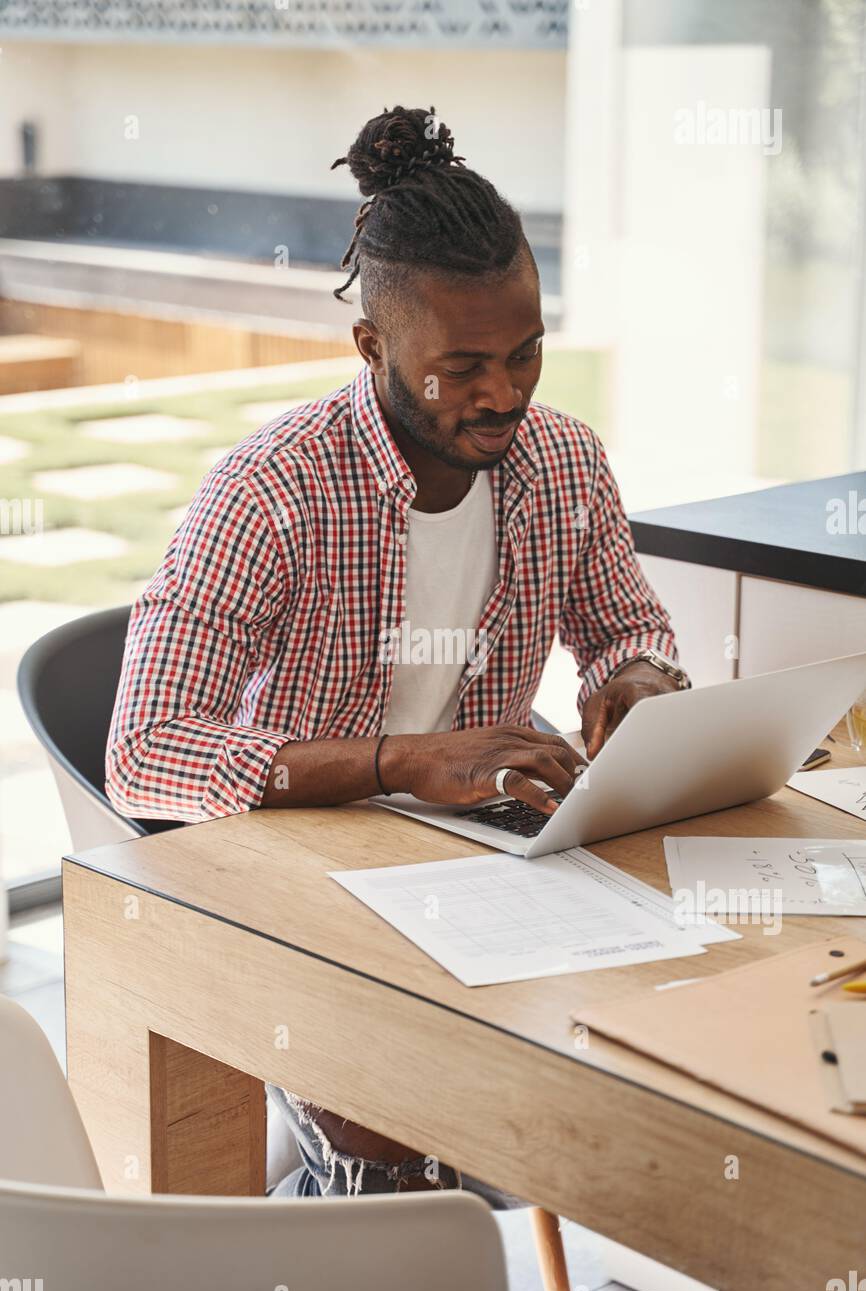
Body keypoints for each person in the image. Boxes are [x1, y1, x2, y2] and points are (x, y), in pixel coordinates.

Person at [106, 105, 689, 1202]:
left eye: (524, 354)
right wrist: (401, 760)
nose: (503, 394)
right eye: (461, 366)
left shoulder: (560, 460)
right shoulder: (270, 492)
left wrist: (638, 678)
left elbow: (628, 627)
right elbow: (145, 749)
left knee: (681, 1040)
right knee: (401, 1136)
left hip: (490, 873)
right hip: (302, 884)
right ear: (372, 346)